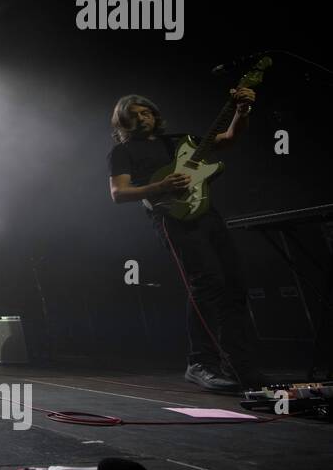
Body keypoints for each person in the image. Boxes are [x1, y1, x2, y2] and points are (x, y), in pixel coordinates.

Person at [107, 90, 267, 391]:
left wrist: (241, 112)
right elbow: (119, 194)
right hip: (173, 218)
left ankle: (239, 366)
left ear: (155, 115)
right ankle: (200, 363)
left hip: (209, 215)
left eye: (146, 112)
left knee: (234, 285)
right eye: (134, 115)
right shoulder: (122, 152)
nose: (142, 118)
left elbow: (229, 139)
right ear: (122, 123)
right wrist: (161, 185)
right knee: (206, 283)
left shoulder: (183, 141)